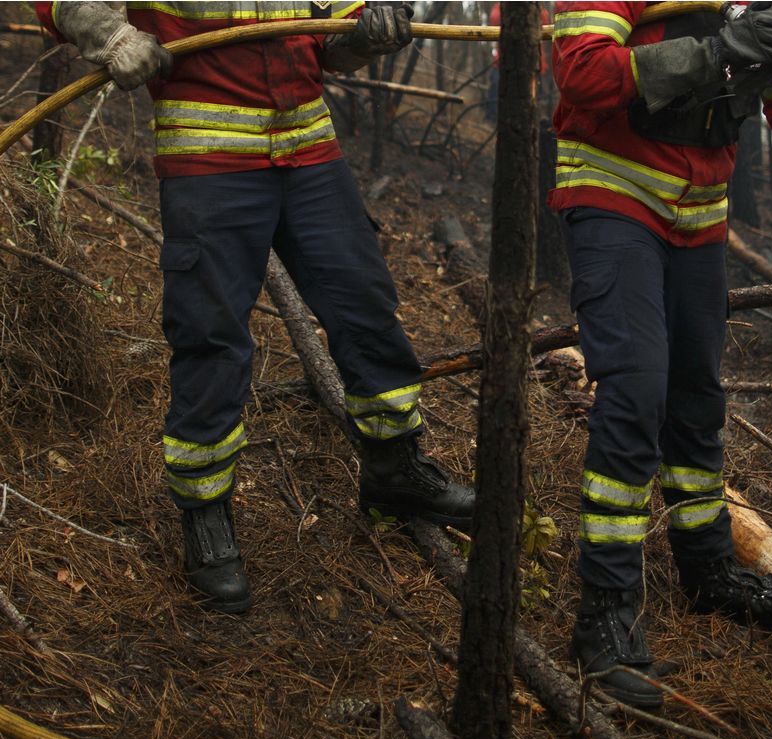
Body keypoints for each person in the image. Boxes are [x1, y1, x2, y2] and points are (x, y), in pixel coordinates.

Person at [36, 1, 474, 614]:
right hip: (209, 162)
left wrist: (367, 32)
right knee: (211, 338)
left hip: (310, 153)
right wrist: (108, 36)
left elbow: (327, 35)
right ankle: (206, 515)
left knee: (365, 305)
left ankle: (394, 470)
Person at [548, 1, 772, 707]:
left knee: (696, 399)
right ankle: (606, 610)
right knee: (637, 390)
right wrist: (717, 52)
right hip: (612, 195)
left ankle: (707, 570)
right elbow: (582, 75)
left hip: (698, 220)